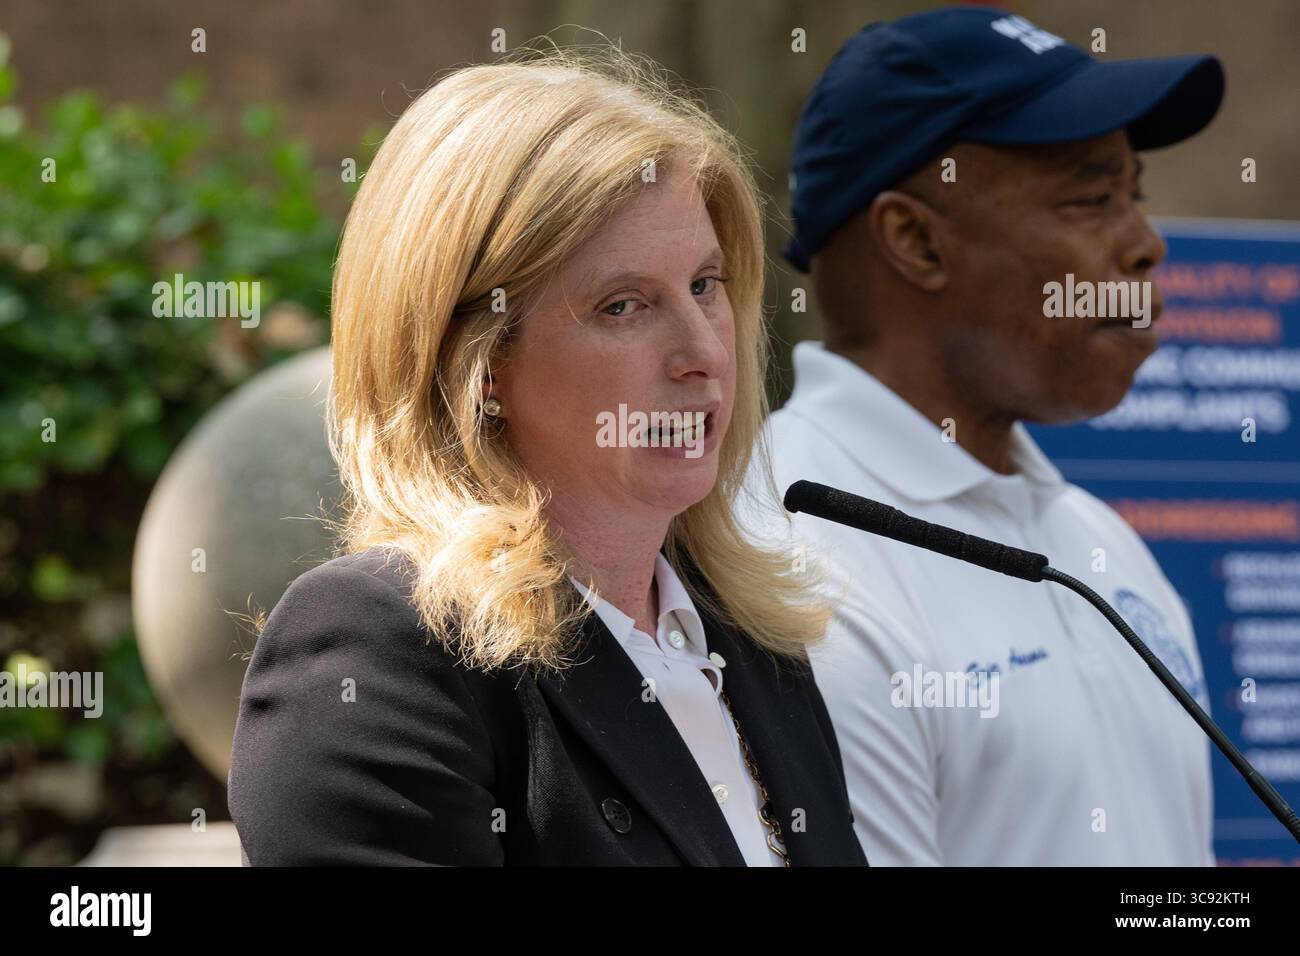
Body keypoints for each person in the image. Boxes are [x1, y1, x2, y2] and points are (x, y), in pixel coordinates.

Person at [227, 48, 866, 866]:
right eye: (624, 306)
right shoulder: (379, 656)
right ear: (478, 362)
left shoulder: (751, 643)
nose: (702, 353)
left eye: (705, 286)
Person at [744, 7, 1226, 865]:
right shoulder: (786, 558)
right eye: (1093, 198)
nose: (1147, 244)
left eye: (1135, 194)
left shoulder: (1097, 539)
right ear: (916, 241)